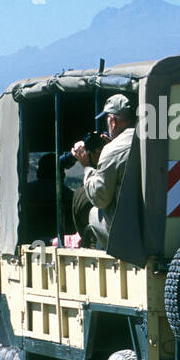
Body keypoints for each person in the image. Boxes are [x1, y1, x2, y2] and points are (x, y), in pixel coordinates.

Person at [71, 93, 135, 250]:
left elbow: (100, 199)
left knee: (92, 211)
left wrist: (86, 166)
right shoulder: (149, 139)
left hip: (128, 228)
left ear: (112, 121)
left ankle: (90, 247)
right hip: (153, 220)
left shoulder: (112, 150)